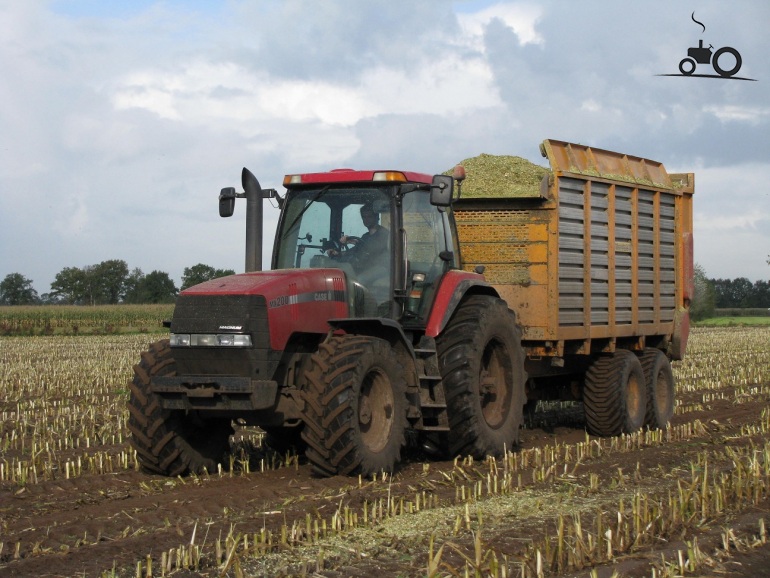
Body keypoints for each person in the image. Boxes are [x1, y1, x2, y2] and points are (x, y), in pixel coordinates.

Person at [327, 203, 389, 274]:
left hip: (380, 268)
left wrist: (354, 242)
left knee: (359, 279)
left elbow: (372, 250)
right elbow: (355, 251)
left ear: (376, 217)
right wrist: (338, 253)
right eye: (364, 217)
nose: (366, 219)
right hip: (367, 266)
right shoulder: (365, 236)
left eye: (369, 216)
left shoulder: (383, 234)